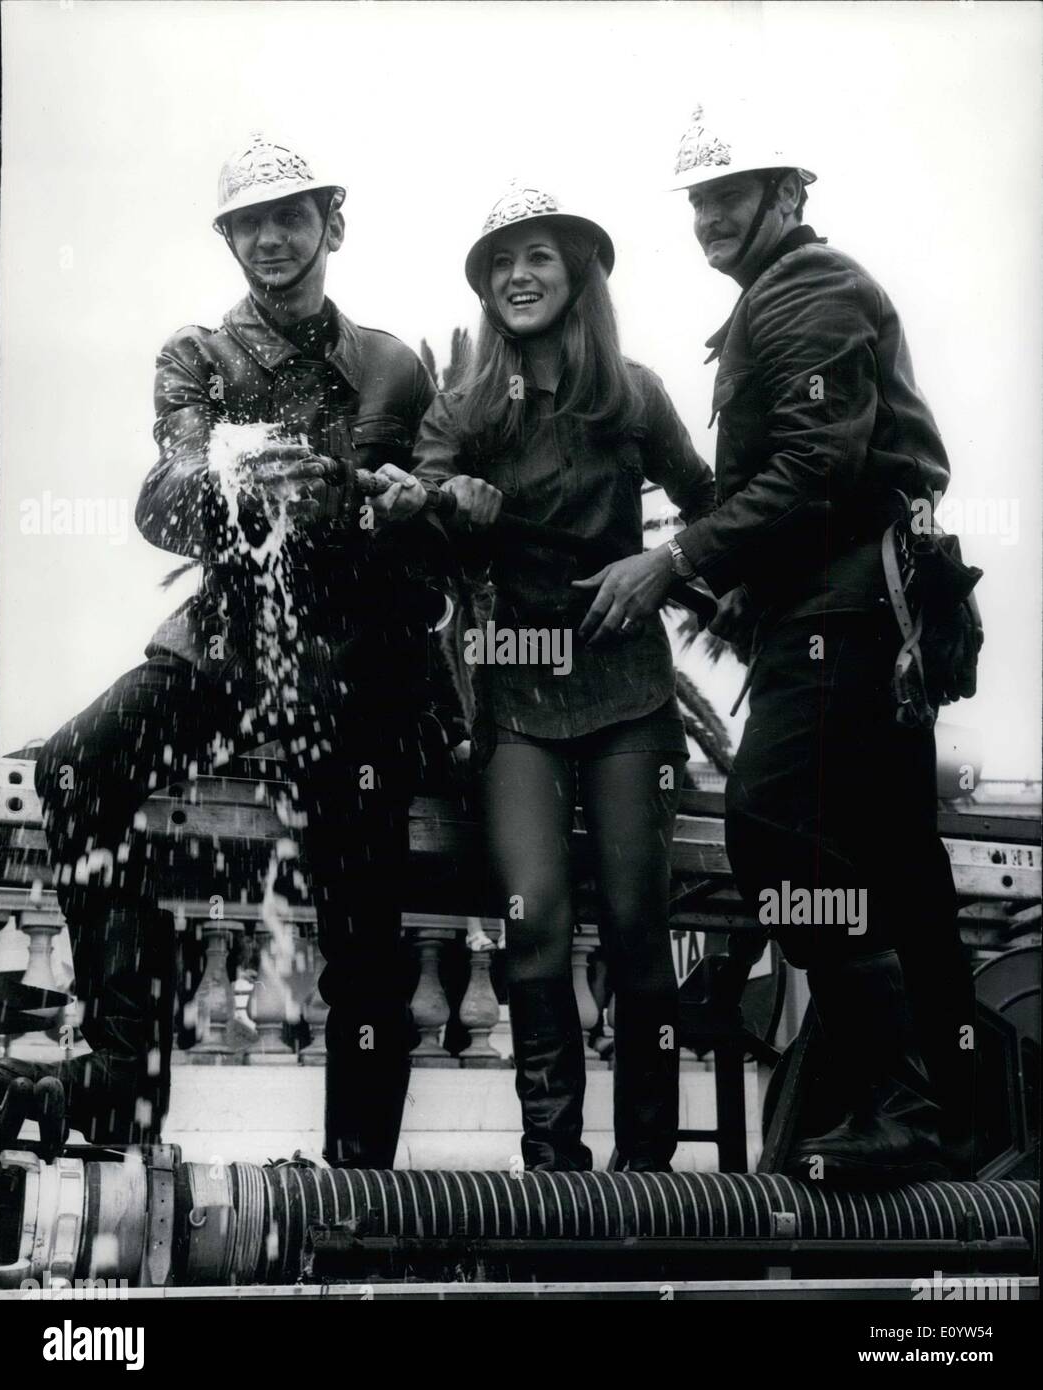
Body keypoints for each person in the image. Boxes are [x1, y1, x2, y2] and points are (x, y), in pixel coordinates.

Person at [0, 135, 440, 1169]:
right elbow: (167, 490)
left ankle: (358, 1193)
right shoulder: (196, 354)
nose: (271, 238)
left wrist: (372, 507)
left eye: (291, 217)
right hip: (229, 649)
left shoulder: (393, 366)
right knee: (71, 764)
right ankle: (119, 1065)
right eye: (249, 222)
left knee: (366, 941)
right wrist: (239, 491)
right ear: (228, 238)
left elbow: (429, 549)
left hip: (357, 667)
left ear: (334, 223)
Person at [667, 106, 977, 1181]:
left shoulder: (805, 293)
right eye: (699, 199)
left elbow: (812, 472)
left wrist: (674, 563)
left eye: (728, 195)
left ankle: (899, 1099)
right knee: (893, 858)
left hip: (847, 616)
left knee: (769, 822)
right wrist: (722, 575)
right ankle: (935, 1106)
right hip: (855, 609)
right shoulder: (784, 294)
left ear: (788, 197)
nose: (708, 215)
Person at [411, 183, 716, 1172]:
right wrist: (447, 503)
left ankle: (650, 1170)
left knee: (637, 923)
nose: (518, 276)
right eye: (500, 263)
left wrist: (665, 564)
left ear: (577, 273)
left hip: (629, 689)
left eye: (538, 256)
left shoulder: (633, 393)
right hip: (517, 689)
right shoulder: (462, 406)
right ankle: (551, 1162)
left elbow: (716, 507)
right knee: (534, 918)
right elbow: (416, 510)